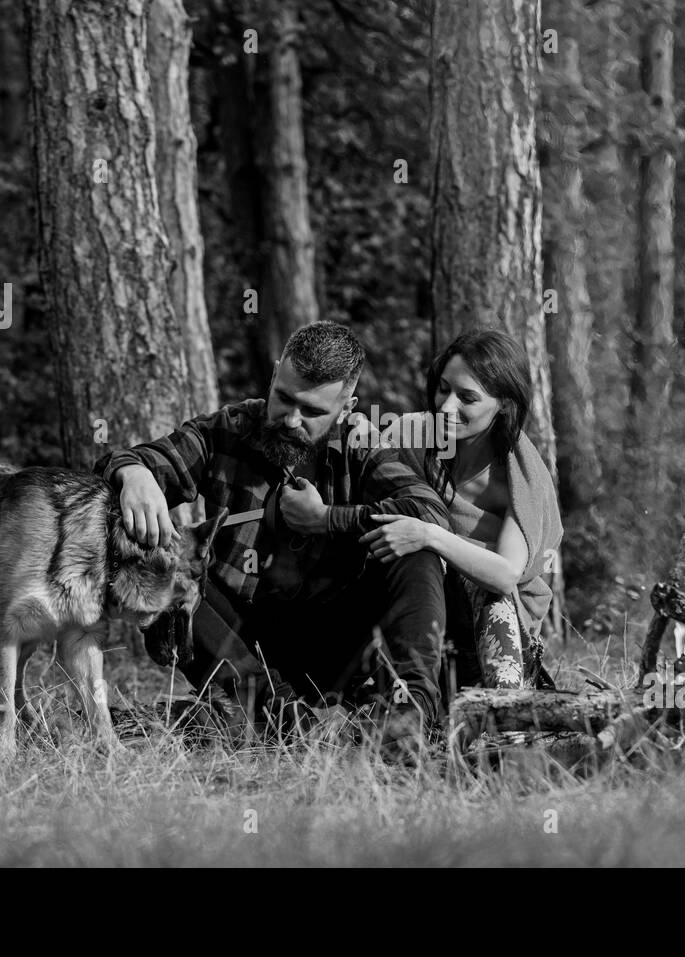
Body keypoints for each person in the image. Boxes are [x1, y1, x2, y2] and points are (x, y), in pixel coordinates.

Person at [94, 322, 449, 755]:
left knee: (418, 549)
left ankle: (408, 717)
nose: (291, 420)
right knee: (170, 579)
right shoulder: (229, 428)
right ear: (276, 373)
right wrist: (133, 473)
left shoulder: (360, 444)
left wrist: (326, 519)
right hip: (241, 645)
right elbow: (139, 457)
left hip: (335, 644)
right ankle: (282, 722)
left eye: (312, 412)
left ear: (346, 406)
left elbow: (429, 512)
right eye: (284, 398)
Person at [359, 328, 563, 695]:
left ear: (504, 404)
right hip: (414, 612)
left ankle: (507, 714)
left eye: (467, 397)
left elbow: (504, 575)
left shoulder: (519, 474)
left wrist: (429, 534)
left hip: (491, 630)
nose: (446, 407)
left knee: (490, 589)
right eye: (443, 389)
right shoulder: (411, 436)